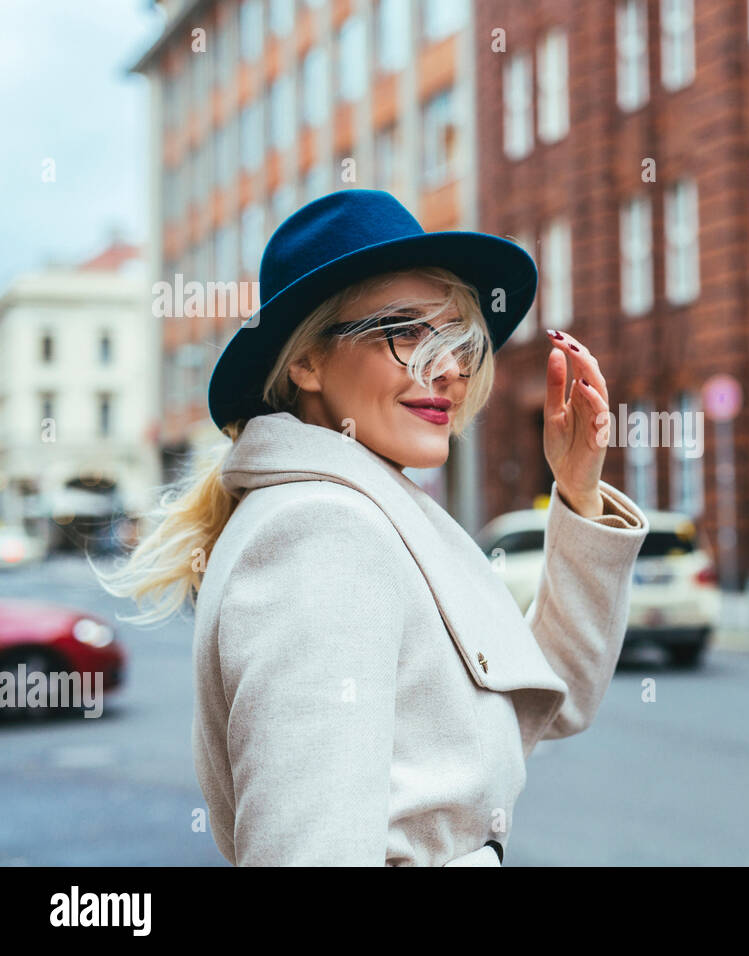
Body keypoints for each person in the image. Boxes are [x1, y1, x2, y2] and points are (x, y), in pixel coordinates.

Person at [93, 189, 649, 865]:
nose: (445, 368)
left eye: (456, 339)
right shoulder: (324, 534)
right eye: (407, 332)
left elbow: (545, 697)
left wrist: (579, 492)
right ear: (305, 361)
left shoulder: (369, 511)